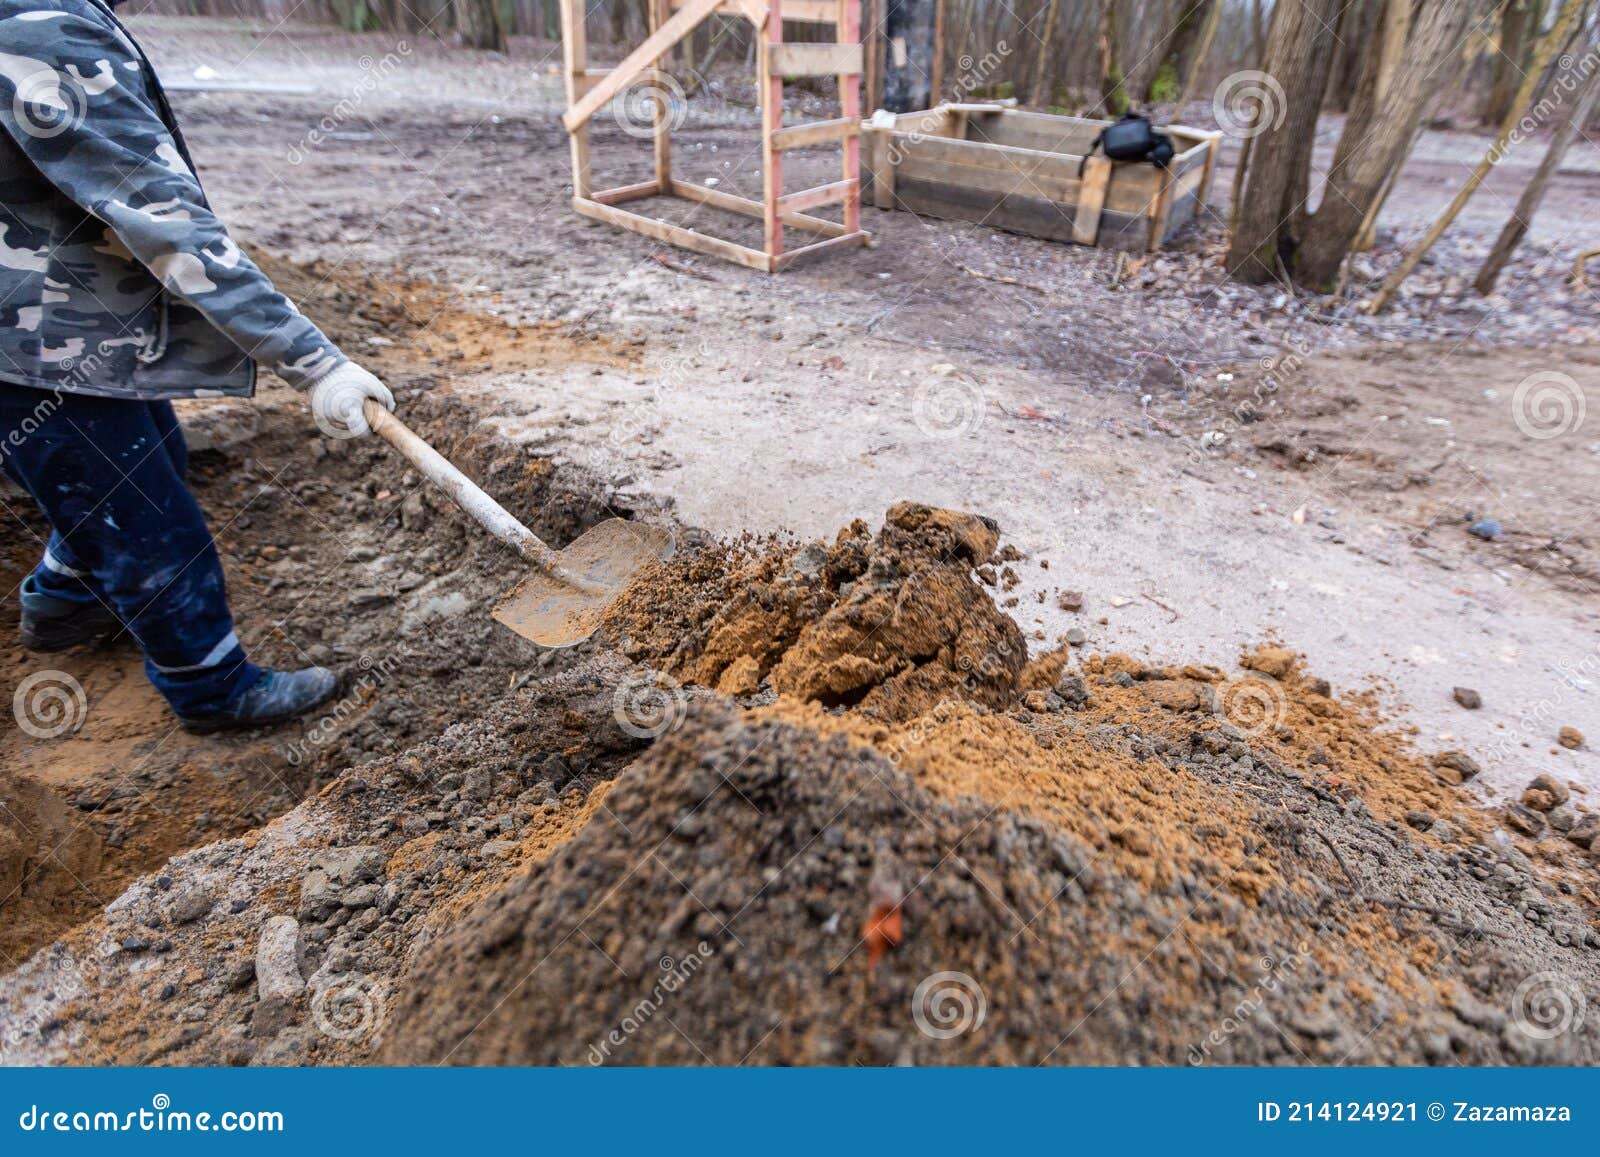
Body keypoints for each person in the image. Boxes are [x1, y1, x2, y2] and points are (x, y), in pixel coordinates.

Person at [0, 0, 395, 732]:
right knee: (147, 524)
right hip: (32, 344)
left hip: (53, 322)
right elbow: (166, 220)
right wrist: (315, 364)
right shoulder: (36, 31)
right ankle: (212, 690)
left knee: (147, 463)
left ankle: (64, 601)